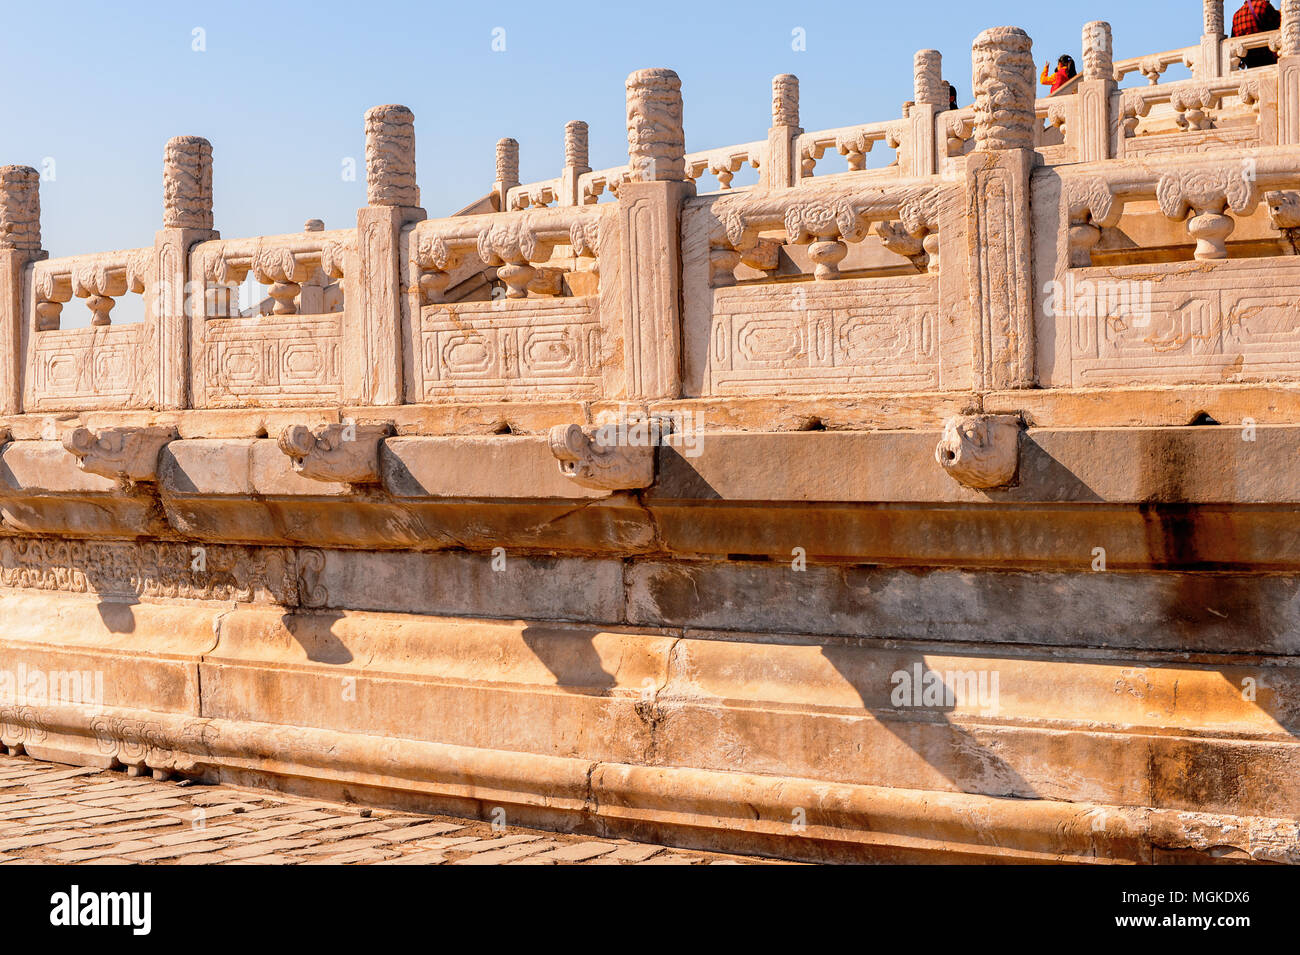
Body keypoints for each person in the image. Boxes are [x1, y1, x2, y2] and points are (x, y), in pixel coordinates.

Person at [1232, 0, 1281, 69]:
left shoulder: (1236, 16)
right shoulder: (1263, 6)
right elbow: (1279, 23)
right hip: (1269, 59)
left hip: (1251, 63)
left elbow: (1233, 41)